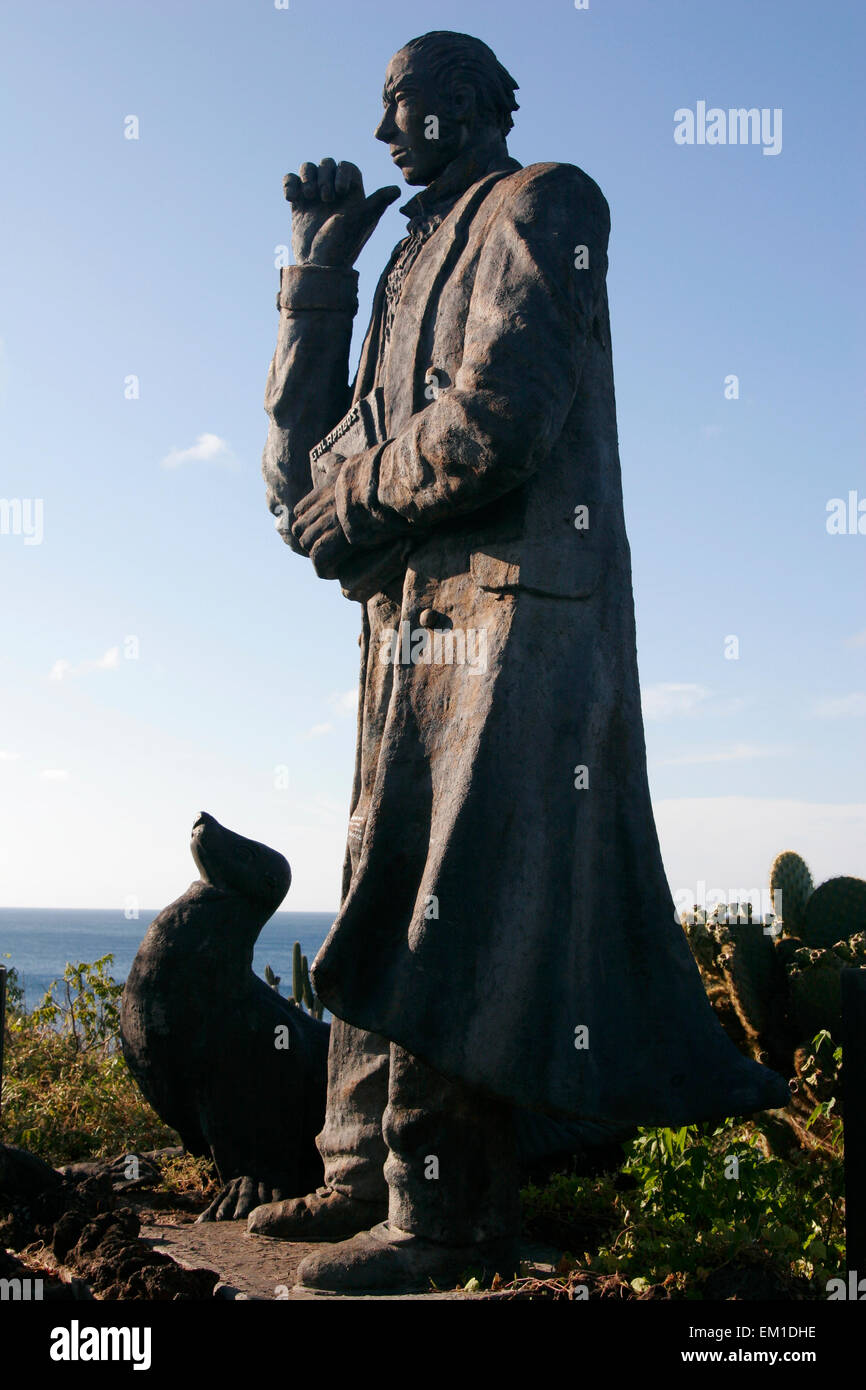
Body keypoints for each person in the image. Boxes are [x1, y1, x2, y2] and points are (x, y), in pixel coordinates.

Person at [253, 30, 789, 1293]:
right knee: (386, 879)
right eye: (381, 110)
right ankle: (357, 1170)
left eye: (408, 105)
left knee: (461, 898)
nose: (387, 133)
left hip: (515, 618)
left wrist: (366, 498)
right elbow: (298, 483)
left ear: (474, 103)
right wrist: (315, 282)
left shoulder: (544, 199)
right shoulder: (394, 264)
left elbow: (506, 408)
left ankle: (444, 1219)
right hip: (407, 624)